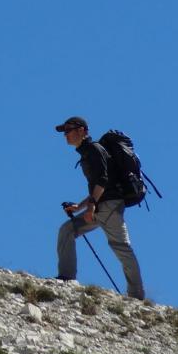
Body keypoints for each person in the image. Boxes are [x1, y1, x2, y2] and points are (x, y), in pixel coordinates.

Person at [55, 116, 145, 300]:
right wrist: (79, 207)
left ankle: (136, 295)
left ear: (82, 130)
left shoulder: (93, 150)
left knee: (121, 248)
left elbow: (103, 181)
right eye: (64, 131)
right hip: (104, 205)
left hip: (109, 206)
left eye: (68, 130)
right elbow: (99, 185)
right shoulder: (88, 151)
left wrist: (90, 206)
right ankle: (66, 277)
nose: (66, 135)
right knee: (67, 230)